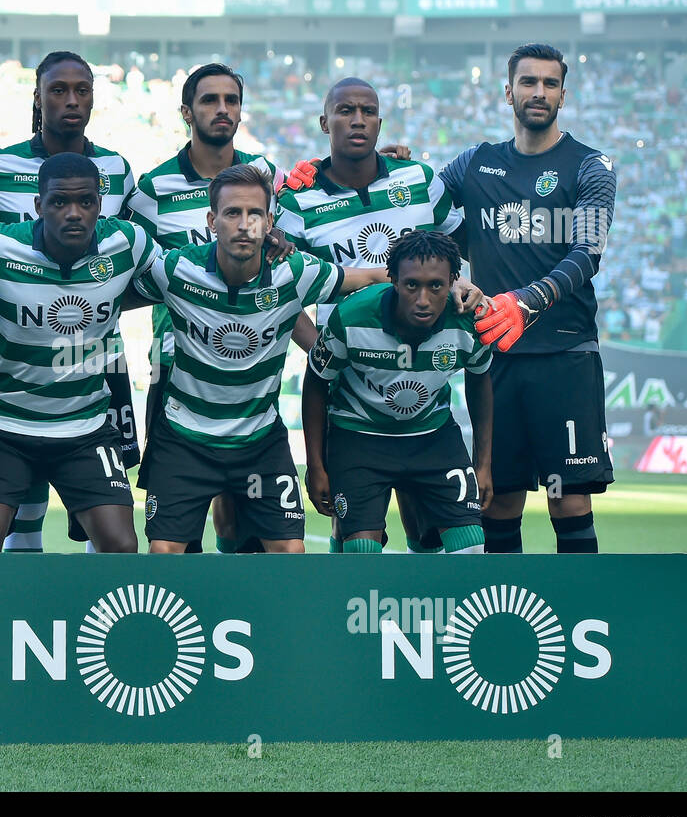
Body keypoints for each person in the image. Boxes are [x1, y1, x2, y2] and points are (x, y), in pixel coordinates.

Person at [132, 163, 390, 553]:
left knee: (292, 553)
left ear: (270, 221)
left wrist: (455, 283)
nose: (244, 224)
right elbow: (111, 285)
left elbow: (371, 277)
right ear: (212, 221)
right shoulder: (177, 269)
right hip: (185, 439)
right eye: (232, 213)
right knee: (163, 554)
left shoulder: (296, 272)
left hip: (259, 441)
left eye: (255, 214)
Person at [0, 50, 138, 553]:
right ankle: (16, 616)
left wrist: (98, 304)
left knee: (104, 527)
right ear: (38, 97)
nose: (71, 100)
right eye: (58, 90)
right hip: (18, 363)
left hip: (96, 362)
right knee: (18, 510)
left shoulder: (117, 169)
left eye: (82, 90)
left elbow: (137, 261)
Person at [278, 76, 472, 554]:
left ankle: (430, 624)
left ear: (381, 121)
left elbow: (462, 249)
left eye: (367, 110)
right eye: (345, 110)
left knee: (430, 533)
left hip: (423, 392)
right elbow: (284, 295)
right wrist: (326, 349)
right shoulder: (297, 201)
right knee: (357, 543)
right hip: (351, 392)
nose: (357, 119)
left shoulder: (420, 180)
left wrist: (467, 287)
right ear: (325, 122)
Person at [439, 43, 617, 554]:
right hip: (496, 359)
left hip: (566, 355)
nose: (538, 92)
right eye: (528, 82)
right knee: (497, 499)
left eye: (550, 83)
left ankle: (583, 620)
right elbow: (420, 218)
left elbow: (587, 253)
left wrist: (526, 300)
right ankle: (503, 629)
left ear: (564, 94)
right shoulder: (475, 163)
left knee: (570, 501)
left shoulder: (590, 167)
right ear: (508, 91)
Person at [0, 153, 157, 554]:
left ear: (100, 203)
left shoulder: (128, 243)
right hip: (1, 423)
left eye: (86, 202)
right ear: (38, 206)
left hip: (84, 426)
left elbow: (179, 276)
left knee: (121, 546)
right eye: (60, 202)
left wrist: (265, 248)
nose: (74, 213)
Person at [125, 62, 282, 553]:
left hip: (248, 364)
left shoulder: (268, 177)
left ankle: (242, 615)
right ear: (186, 112)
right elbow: (129, 274)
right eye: (210, 100)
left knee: (240, 522)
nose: (222, 110)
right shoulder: (152, 191)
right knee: (178, 525)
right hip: (176, 365)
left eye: (231, 100)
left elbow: (289, 261)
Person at [302, 230, 493, 555]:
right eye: (411, 285)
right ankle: (343, 559)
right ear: (392, 279)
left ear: (453, 281)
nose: (423, 299)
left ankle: (436, 605)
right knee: (361, 551)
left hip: (432, 437)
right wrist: (316, 465)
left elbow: (481, 383)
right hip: (358, 438)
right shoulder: (350, 317)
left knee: (472, 549)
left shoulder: (468, 322)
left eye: (435, 285)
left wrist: (484, 463)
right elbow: (316, 382)